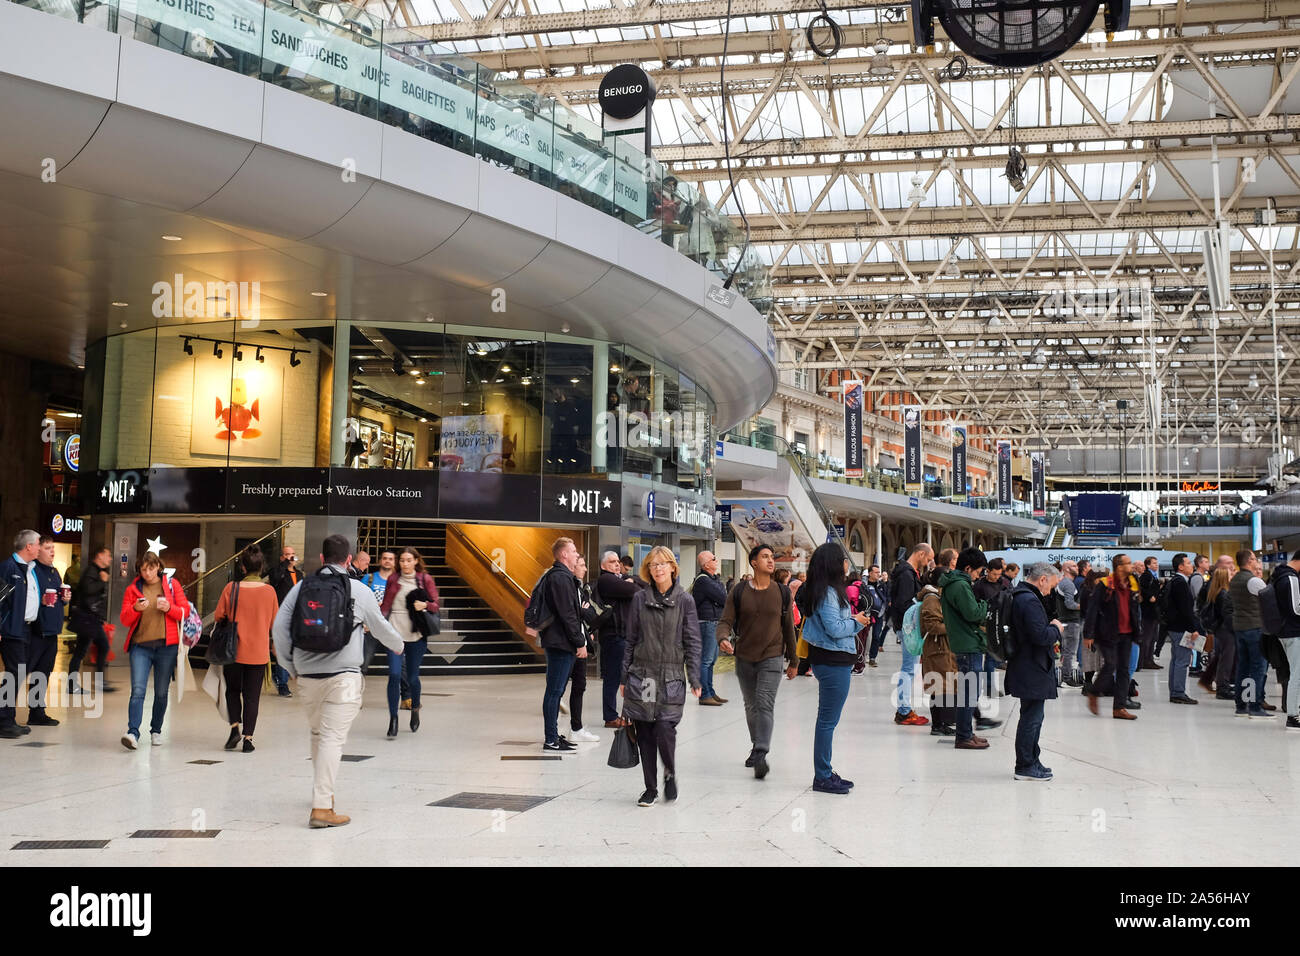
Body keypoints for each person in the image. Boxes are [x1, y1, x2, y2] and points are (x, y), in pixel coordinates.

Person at [272, 534, 404, 828]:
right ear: (348, 560)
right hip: (344, 676)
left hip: (307, 676)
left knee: (319, 734)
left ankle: (324, 796)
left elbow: (279, 627)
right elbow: (380, 627)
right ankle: (321, 807)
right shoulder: (358, 588)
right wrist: (399, 644)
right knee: (332, 738)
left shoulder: (301, 588)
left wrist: (289, 665)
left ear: (321, 559)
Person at [620, 546, 703, 806]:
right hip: (643, 676)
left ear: (672, 567)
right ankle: (650, 788)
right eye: (653, 565)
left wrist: (695, 678)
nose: (658, 569)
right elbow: (631, 639)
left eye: (662, 564)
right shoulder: (639, 599)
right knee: (644, 731)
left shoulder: (685, 601)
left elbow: (692, 641)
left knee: (665, 728)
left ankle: (669, 771)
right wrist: (623, 677)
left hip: (671, 676)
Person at [716, 544, 797, 779]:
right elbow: (725, 621)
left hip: (772, 655)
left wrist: (794, 660)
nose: (771, 561)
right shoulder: (739, 591)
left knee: (764, 702)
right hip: (744, 656)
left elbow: (788, 628)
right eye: (765, 557)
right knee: (751, 705)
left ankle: (761, 751)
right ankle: (756, 745)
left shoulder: (782, 592)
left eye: (772, 557)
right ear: (753, 563)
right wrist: (722, 637)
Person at [799, 543, 870, 793]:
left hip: (831, 659)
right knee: (828, 721)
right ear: (833, 563)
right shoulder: (828, 593)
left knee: (828, 720)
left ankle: (825, 771)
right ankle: (822, 775)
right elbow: (835, 629)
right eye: (843, 559)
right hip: (832, 660)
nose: (847, 564)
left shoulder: (825, 591)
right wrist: (858, 622)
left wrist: (852, 621)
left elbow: (835, 624)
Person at [118, 553, 190, 749]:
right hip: (140, 647)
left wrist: (169, 608)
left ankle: (156, 730)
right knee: (138, 691)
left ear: (158, 566)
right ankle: (133, 732)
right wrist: (135, 609)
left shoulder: (172, 586)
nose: (147, 573)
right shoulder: (133, 589)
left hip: (166, 647)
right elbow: (124, 619)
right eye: (143, 569)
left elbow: (185, 611)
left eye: (150, 568)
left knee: (160, 692)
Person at [214, 546, 279, 753]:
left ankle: (234, 727)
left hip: (233, 651)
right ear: (261, 568)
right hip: (258, 653)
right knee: (252, 696)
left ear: (242, 567)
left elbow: (218, 616)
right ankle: (248, 739)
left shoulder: (230, 588)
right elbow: (274, 624)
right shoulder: (269, 592)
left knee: (232, 691)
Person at [1006, 563, 1064, 781]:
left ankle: (1032, 759)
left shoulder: (1020, 595)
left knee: (1032, 716)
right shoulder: (1029, 600)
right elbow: (1040, 636)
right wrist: (1056, 628)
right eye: (1051, 586)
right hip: (1031, 666)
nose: (1050, 591)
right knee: (1032, 718)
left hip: (1028, 665)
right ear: (1042, 580)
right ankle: (1025, 765)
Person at [379, 547, 439, 737]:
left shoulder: (424, 579)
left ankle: (415, 709)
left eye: (408, 560)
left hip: (416, 633)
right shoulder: (393, 579)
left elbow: (436, 606)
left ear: (415, 561)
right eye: (402, 560)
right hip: (395, 632)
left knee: (413, 677)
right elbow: (386, 606)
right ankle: (393, 718)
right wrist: (375, 622)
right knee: (395, 675)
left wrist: (425, 605)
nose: (405, 564)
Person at [538, 537, 587, 752]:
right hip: (560, 643)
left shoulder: (562, 576)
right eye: (573, 551)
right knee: (554, 692)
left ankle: (554, 735)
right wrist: (580, 642)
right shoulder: (559, 578)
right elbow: (568, 614)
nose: (577, 555)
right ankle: (550, 739)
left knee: (556, 692)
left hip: (560, 641)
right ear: (563, 555)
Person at [940, 547, 991, 750]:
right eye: (978, 571)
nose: (979, 576)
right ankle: (963, 736)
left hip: (966, 641)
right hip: (968, 643)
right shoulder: (960, 585)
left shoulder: (956, 583)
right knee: (969, 694)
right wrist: (985, 605)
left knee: (969, 692)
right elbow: (972, 613)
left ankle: (966, 732)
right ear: (968, 568)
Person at [1084, 554, 1142, 719]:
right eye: (1128, 563)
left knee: (1124, 670)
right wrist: (1088, 634)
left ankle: (1119, 708)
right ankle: (1094, 692)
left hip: (1127, 633)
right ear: (1119, 567)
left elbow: (1134, 608)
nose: (1131, 566)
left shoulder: (1132, 583)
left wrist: (1137, 631)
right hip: (1107, 633)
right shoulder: (1105, 584)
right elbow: (1092, 610)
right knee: (1111, 664)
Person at [0, 531, 43, 738]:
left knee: (16, 675)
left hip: (26, 629)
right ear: (28, 546)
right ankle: (4, 721)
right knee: (14, 675)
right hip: (12, 630)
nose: (39, 547)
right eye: (38, 544)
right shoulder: (9, 568)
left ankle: (8, 718)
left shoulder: (30, 569)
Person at [887, 543, 933, 727]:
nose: (928, 563)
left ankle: (904, 709)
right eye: (928, 559)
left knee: (910, 668)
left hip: (906, 626)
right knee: (908, 669)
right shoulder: (907, 574)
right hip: (909, 628)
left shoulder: (907, 572)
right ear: (920, 554)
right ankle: (904, 710)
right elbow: (904, 603)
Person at [1228, 549, 1274, 719]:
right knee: (1257, 667)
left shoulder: (1234, 580)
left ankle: (1241, 705)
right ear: (1249, 561)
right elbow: (1270, 600)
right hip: (1255, 628)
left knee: (1243, 667)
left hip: (1240, 627)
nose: (1257, 562)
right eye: (1255, 559)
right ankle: (1254, 706)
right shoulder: (1254, 581)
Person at [596, 551, 639, 728]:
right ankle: (610, 716)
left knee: (623, 676)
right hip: (613, 636)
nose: (616, 564)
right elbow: (634, 590)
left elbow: (640, 586)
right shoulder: (606, 580)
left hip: (623, 636)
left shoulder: (619, 578)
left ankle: (621, 714)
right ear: (603, 566)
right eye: (612, 562)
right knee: (613, 677)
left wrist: (630, 581)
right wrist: (629, 583)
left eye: (617, 562)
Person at [27, 536, 66, 727]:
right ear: (37, 550)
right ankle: (4, 713)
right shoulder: (31, 570)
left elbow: (58, 597)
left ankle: (36, 712)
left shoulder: (54, 571)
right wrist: (39, 602)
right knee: (20, 673)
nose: (52, 551)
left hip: (52, 632)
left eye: (53, 548)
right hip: (35, 631)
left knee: (42, 673)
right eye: (47, 548)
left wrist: (65, 598)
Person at [920, 552, 958, 736]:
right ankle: (937, 724)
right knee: (938, 687)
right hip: (936, 648)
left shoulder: (938, 596)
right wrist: (953, 625)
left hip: (942, 647)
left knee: (943, 687)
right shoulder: (931, 599)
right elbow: (931, 625)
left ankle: (942, 723)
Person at [68, 547, 114, 695]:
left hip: (90, 619)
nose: (110, 559)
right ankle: (95, 682)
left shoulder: (96, 571)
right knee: (97, 647)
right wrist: (102, 581)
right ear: (99, 555)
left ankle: (83, 683)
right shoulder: (92, 571)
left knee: (85, 650)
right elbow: (88, 590)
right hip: (88, 619)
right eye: (108, 555)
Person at [566, 555, 599, 742]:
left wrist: (584, 611)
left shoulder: (581, 588)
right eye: (582, 565)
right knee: (560, 688)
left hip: (581, 642)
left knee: (580, 686)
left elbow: (591, 614)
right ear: (572, 567)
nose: (585, 568)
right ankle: (553, 733)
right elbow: (572, 614)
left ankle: (576, 728)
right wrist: (583, 611)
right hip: (570, 644)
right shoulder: (568, 587)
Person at [1163, 552, 1203, 706]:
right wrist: (1193, 628)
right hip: (1181, 628)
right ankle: (1178, 692)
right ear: (1180, 567)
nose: (1191, 565)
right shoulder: (1180, 583)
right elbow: (1185, 608)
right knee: (1182, 660)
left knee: (1177, 660)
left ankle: (1175, 691)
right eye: (1187, 563)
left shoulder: (1176, 581)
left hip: (1175, 626)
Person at [691, 551, 729, 706]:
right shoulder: (703, 581)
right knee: (706, 660)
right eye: (714, 559)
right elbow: (724, 598)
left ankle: (710, 692)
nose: (716, 560)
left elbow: (722, 595)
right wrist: (719, 598)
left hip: (713, 622)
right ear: (706, 564)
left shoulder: (712, 579)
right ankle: (704, 694)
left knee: (712, 660)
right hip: (707, 622)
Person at [1269, 549, 1300, 730]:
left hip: (1285, 631)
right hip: (1294, 632)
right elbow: (1296, 608)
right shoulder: (1291, 578)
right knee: (1297, 674)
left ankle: (1294, 710)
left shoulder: (1279, 576)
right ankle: (1293, 715)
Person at [266, 545, 302, 698]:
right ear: (282, 557)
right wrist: (284, 565)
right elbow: (274, 580)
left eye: (292, 554)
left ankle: (279, 676)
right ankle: (282, 684)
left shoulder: (300, 575)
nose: (291, 557)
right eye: (287, 554)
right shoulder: (277, 572)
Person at [1056, 560, 1083, 687]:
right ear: (1066, 569)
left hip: (1067, 622)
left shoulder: (1065, 583)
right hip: (1071, 622)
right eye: (1073, 566)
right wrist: (1085, 606)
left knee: (1067, 651)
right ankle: (1066, 678)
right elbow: (1069, 604)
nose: (1076, 568)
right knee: (1070, 652)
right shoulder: (1068, 584)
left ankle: (1065, 677)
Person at [1137, 557, 1162, 670]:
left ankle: (1149, 659)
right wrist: (1149, 596)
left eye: (1157, 563)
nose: (1156, 565)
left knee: (1152, 638)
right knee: (1147, 637)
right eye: (1154, 563)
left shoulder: (1153, 576)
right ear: (1148, 565)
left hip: (1153, 610)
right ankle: (1143, 660)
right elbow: (1141, 588)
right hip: (1148, 611)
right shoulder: (1147, 575)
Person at [863, 565, 888, 667]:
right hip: (866, 614)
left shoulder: (881, 585)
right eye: (876, 572)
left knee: (876, 636)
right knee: (863, 636)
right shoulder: (863, 584)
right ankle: (861, 657)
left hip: (879, 615)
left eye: (879, 572)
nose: (879, 574)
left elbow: (886, 597)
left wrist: (883, 609)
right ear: (870, 573)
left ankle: (872, 658)